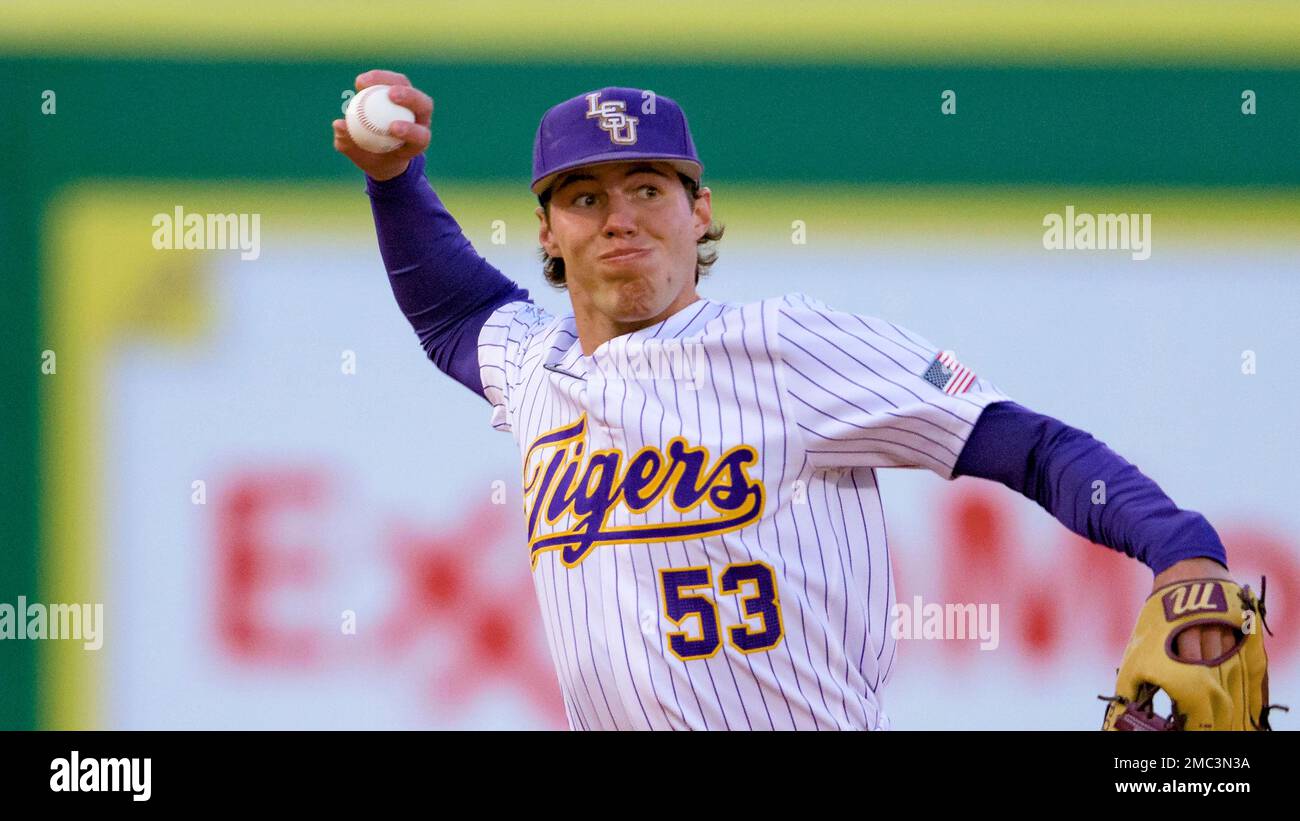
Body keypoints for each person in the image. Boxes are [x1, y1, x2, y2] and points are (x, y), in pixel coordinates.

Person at [333, 70, 1249, 731]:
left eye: (649, 187)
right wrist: (393, 181)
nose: (619, 216)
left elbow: (1030, 446)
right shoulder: (539, 365)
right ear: (548, 231)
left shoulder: (790, 344)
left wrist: (1178, 546)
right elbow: (454, 307)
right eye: (584, 195)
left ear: (699, 212)